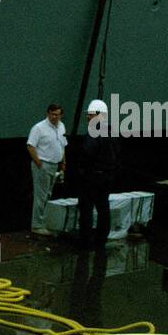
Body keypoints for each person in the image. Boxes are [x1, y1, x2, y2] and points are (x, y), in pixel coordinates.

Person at [74, 99, 119, 248]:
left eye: (90, 115)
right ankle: (101, 239)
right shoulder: (111, 132)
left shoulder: (93, 132)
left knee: (86, 209)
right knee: (103, 208)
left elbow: (87, 153)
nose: (87, 117)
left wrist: (82, 170)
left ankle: (85, 240)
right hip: (108, 176)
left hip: (91, 177)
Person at [26, 102, 66, 236]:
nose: (55, 117)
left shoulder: (61, 127)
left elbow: (62, 145)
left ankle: (44, 222)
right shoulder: (39, 128)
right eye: (53, 114)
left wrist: (63, 162)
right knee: (41, 195)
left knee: (48, 195)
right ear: (48, 113)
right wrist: (39, 163)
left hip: (55, 164)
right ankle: (37, 225)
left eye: (58, 115)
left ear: (61, 115)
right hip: (43, 164)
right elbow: (30, 146)